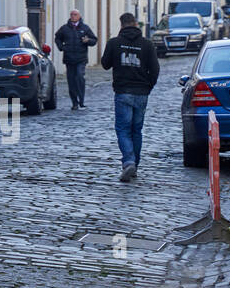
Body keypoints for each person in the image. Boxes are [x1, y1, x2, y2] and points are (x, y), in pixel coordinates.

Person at [100, 12, 160, 182]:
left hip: (123, 91)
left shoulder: (114, 43)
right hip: (141, 92)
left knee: (123, 129)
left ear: (121, 25)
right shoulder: (147, 44)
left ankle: (128, 161)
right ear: (135, 24)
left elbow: (105, 64)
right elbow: (155, 69)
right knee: (136, 130)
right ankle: (134, 164)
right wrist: (149, 86)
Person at [54, 9, 98, 111]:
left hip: (81, 58)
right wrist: (61, 47)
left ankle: (81, 100)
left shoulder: (85, 28)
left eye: (75, 14)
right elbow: (57, 38)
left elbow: (94, 40)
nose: (73, 16)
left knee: (79, 76)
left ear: (79, 16)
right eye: (72, 14)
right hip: (69, 58)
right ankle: (74, 102)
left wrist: (88, 40)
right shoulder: (65, 28)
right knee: (71, 81)